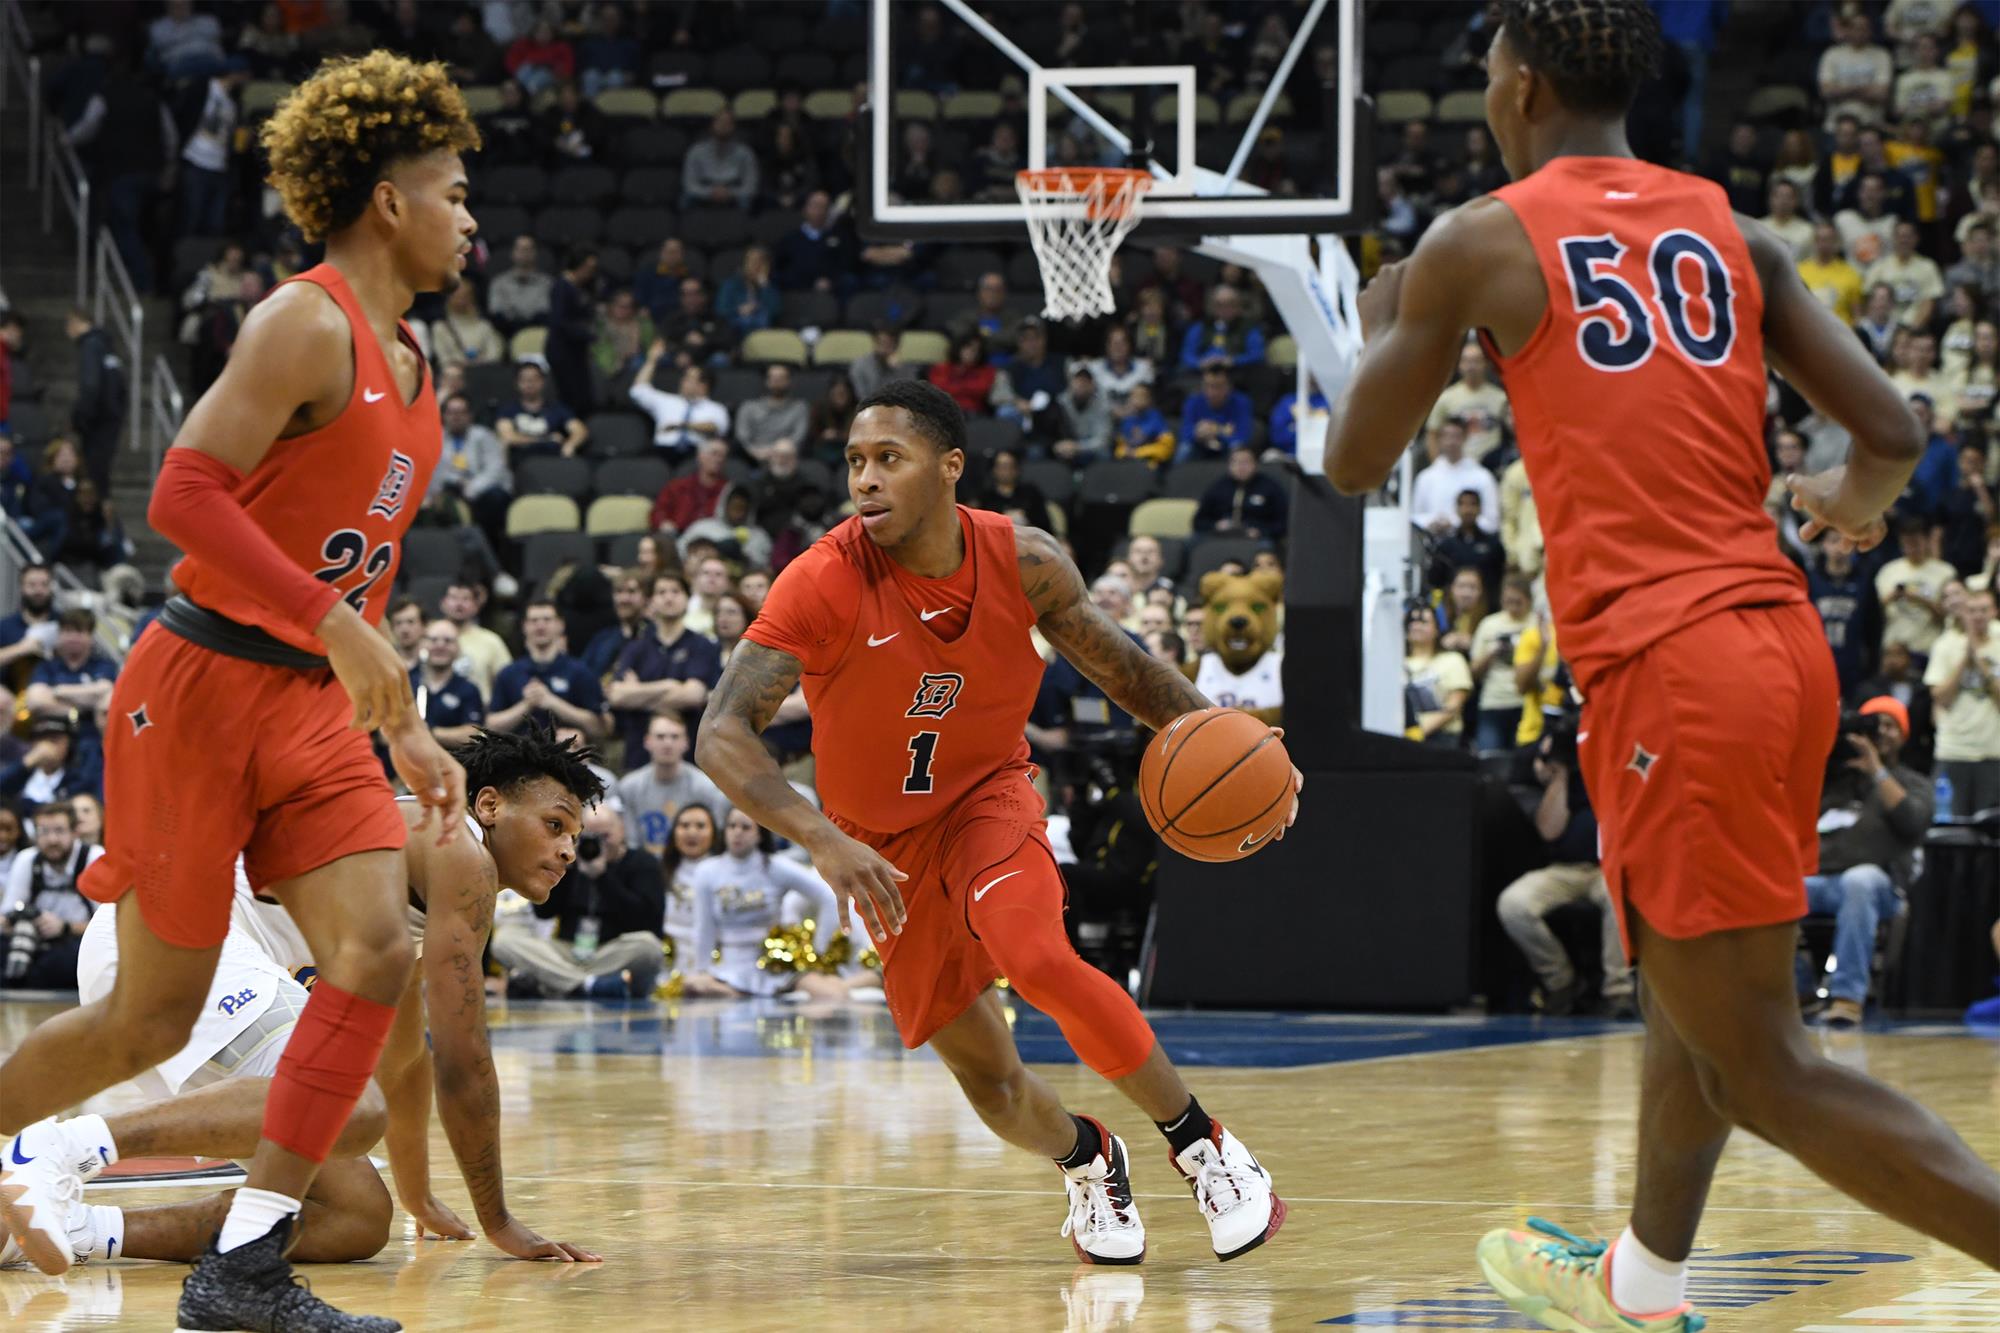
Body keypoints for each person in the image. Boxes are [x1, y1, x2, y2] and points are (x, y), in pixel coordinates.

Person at [1324, 4, 2000, 1326]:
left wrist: (1382, 315)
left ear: (1518, 87)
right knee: (1695, 1007)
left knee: (1759, 1063)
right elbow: (1893, 430)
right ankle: (1644, 1283)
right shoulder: (1733, 231)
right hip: (1777, 641)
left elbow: (1355, 463)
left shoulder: (1480, 240)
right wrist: (1844, 499)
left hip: (1670, 664)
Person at [0, 51, 474, 1332]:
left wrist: (406, 718)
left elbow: (352, 567)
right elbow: (181, 496)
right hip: (197, 687)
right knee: (143, 1019)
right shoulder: (302, 320)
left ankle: (245, 1267)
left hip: (316, 703)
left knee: (379, 951)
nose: (468, 212)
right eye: (450, 186)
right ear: (386, 200)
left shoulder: (421, 364)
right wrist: (333, 623)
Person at [701, 379, 1299, 1267]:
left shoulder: (1024, 561)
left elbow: (1130, 674)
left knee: (1035, 954)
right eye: (856, 462)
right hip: (877, 846)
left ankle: (1205, 1145)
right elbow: (721, 729)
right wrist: (825, 839)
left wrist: (1243, 748)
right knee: (989, 1083)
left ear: (950, 469)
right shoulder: (823, 579)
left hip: (988, 797)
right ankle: (1089, 1158)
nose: (864, 480)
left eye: (888, 460)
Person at [19, 729, 603, 1272]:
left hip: (150, 941)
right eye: (555, 825)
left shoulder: (417, 878)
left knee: (356, 1216)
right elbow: (463, 1059)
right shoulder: (461, 852)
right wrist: (498, 1219)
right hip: (183, 927)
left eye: (575, 838)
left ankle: (76, 1227)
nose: (568, 850)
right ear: (491, 806)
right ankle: (55, 1148)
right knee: (347, 1104)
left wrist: (416, 1192)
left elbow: (405, 1056)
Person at [1803, 696, 1931, 1028]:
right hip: (1822, 880)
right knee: (1778, 888)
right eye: (1874, 725)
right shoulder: (1836, 778)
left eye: (1890, 726)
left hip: (1881, 888)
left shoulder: (1913, 782)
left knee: (1859, 880)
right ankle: (1794, 992)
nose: (1881, 733)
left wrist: (1876, 770)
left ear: (1904, 736)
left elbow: (1913, 821)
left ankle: (1847, 998)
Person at [1494, 721, 1634, 1016]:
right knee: (1513, 904)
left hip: (1608, 868)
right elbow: (1550, 831)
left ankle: (1618, 992)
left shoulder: (1610, 766)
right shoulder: (1551, 777)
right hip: (1564, 870)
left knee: (1617, 895)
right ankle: (1560, 981)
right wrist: (1559, 775)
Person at [492, 803, 663, 997]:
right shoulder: (569, 861)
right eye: (590, 837)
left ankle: (557, 983)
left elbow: (648, 921)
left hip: (613, 952)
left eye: (605, 836)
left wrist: (602, 877)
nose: (598, 844)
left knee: (649, 947)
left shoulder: (642, 862)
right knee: (506, 939)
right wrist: (565, 870)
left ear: (621, 831)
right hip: (567, 950)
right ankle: (589, 985)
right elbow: (544, 911)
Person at [682, 807, 853, 1000]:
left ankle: (743, 994)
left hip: (774, 965)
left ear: (759, 834)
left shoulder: (775, 866)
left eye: (746, 827)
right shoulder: (707, 871)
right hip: (727, 966)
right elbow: (704, 927)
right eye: (732, 826)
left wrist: (818, 951)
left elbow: (828, 897)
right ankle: (740, 992)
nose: (737, 832)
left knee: (833, 993)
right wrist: (701, 969)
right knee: (694, 986)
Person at [607, 571, 722, 764]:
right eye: (661, 592)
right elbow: (616, 696)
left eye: (675, 591)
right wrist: (669, 685)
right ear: (650, 602)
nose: (668, 597)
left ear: (687, 598)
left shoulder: (702, 645)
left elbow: (693, 695)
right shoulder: (636, 647)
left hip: (689, 752)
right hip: (640, 749)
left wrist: (637, 694)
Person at [0, 800, 100, 991]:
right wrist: (20, 921)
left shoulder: (93, 858)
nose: (52, 840)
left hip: (77, 941)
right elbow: (6, 915)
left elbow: (110, 926)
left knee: (62, 963)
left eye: (60, 831)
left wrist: (65, 927)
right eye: (44, 832)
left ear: (75, 832)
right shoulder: (27, 859)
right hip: (34, 941)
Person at [1925, 584, 2000, 813]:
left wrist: (1979, 660)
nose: (1977, 616)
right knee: (1949, 831)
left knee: (1989, 836)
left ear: (1994, 611)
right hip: (1953, 749)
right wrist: (1964, 659)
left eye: (1983, 610)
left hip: (1993, 751)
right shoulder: (1945, 645)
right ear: (1963, 612)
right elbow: (1941, 697)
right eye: (1972, 610)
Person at [487, 601, 608, 740]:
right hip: (519, 755)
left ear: (561, 625)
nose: (540, 626)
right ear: (524, 626)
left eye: (547, 619)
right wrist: (526, 705)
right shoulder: (509, 673)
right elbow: (491, 725)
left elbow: (599, 728)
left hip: (566, 754)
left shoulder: (581, 672)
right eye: (534, 620)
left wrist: (552, 702)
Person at [614, 713, 725, 857]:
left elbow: (714, 840)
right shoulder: (628, 787)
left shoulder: (705, 788)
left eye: (675, 737)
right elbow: (630, 843)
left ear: (686, 742)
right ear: (647, 741)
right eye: (660, 736)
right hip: (644, 867)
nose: (667, 743)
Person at [632, 344, 731, 458]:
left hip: (695, 455)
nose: (683, 381)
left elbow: (715, 427)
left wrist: (682, 426)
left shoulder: (716, 408)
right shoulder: (667, 401)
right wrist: (652, 360)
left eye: (689, 379)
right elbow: (638, 391)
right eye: (684, 378)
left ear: (703, 385)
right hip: (662, 452)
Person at [411, 619, 485, 747]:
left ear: (458, 647)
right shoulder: (406, 684)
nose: (440, 646)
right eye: (433, 640)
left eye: (448, 641)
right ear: (422, 644)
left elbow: (472, 734)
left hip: (453, 764)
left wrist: (430, 733)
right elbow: (385, 734)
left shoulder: (469, 689)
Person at [1192, 444, 1288, 541]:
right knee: (1191, 542)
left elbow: (1282, 523)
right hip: (1221, 536)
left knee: (1265, 550)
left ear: (1255, 464)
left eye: (1246, 462)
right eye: (1236, 462)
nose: (1241, 467)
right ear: (1229, 465)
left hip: (1258, 538)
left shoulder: (1270, 487)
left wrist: (1261, 531)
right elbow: (1198, 521)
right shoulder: (1218, 487)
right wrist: (1215, 525)